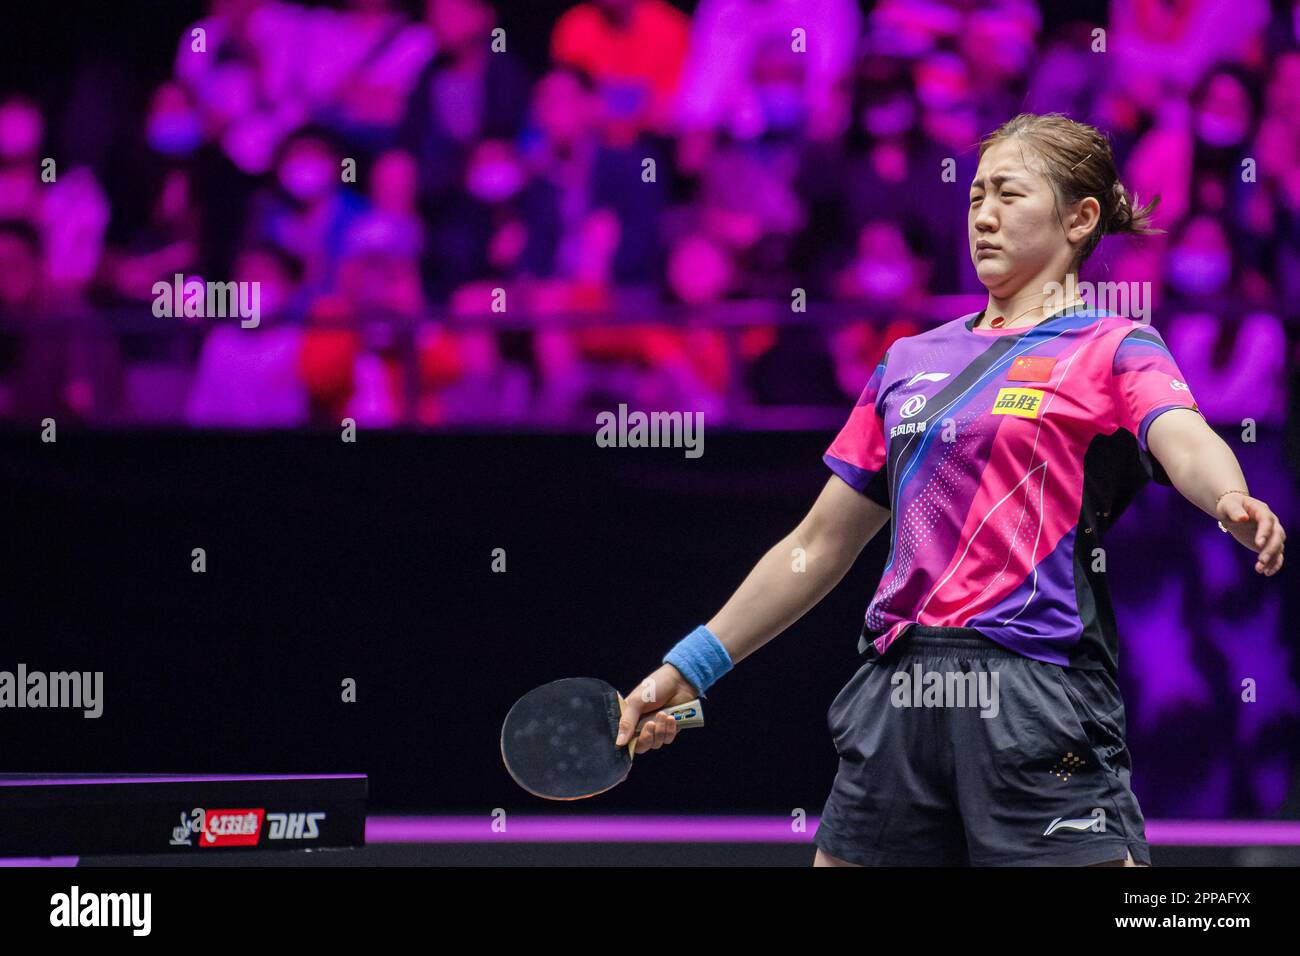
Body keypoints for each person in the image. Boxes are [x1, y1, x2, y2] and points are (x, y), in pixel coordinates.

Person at [615, 112, 1286, 867]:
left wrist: (1228, 496)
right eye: (974, 199)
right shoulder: (907, 361)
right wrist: (687, 668)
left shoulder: (1112, 346)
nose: (984, 217)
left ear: (1080, 218)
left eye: (1008, 195)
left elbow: (1181, 432)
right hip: (895, 695)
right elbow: (816, 545)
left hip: (1033, 696)